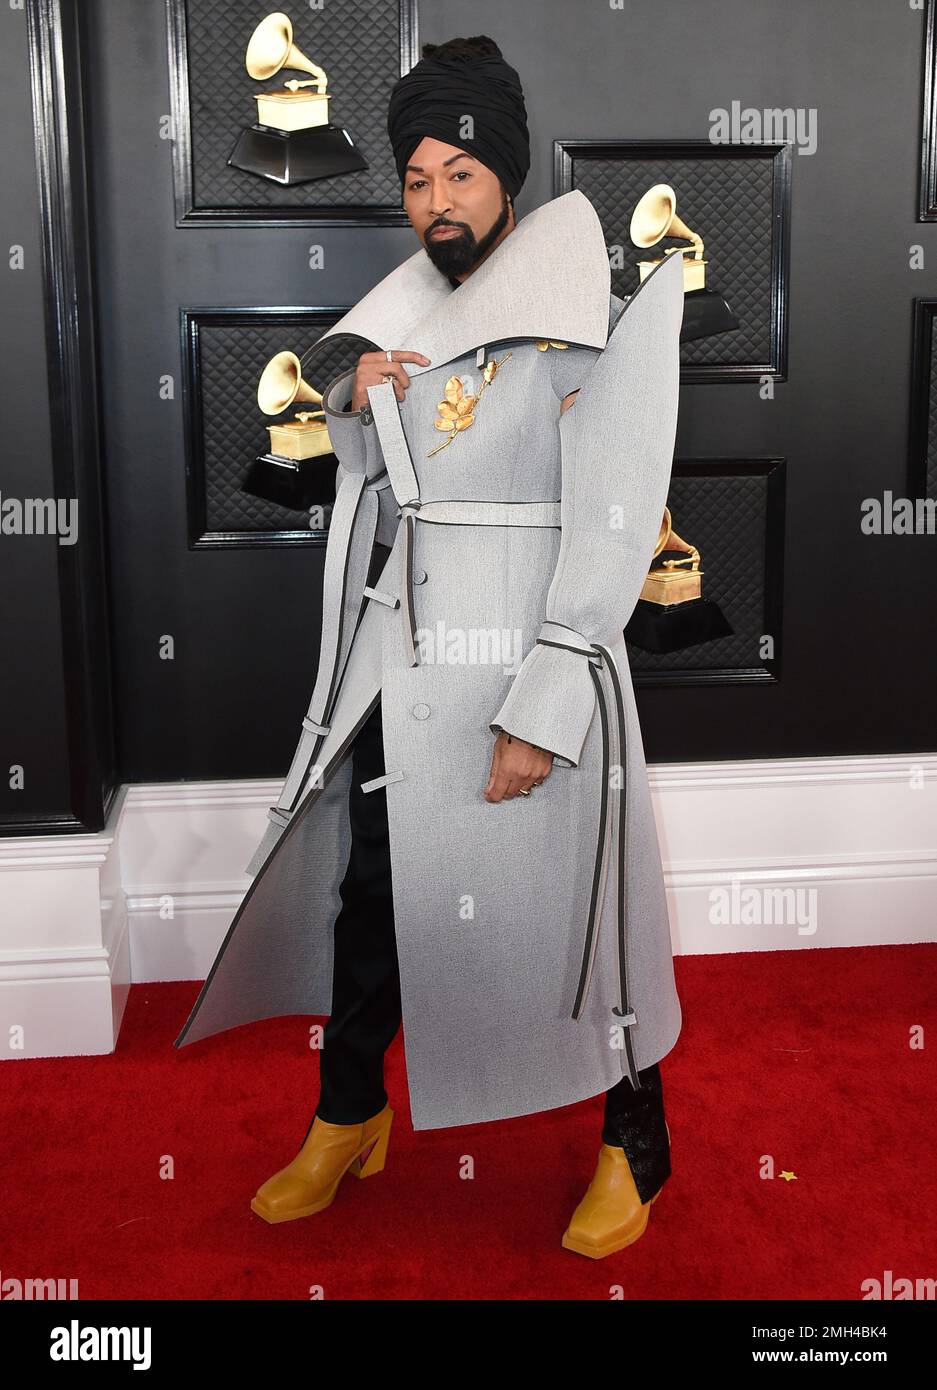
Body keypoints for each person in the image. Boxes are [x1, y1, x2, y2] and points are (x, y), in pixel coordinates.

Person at [238, 34, 681, 1259]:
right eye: (417, 179)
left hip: (536, 651)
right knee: (371, 887)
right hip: (411, 654)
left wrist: (544, 704)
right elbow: (396, 479)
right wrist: (355, 397)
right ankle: (349, 1108)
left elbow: (613, 516)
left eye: (460, 176)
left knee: (588, 906)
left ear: (508, 175)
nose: (436, 202)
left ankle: (633, 1142)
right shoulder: (415, 302)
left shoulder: (594, 308)